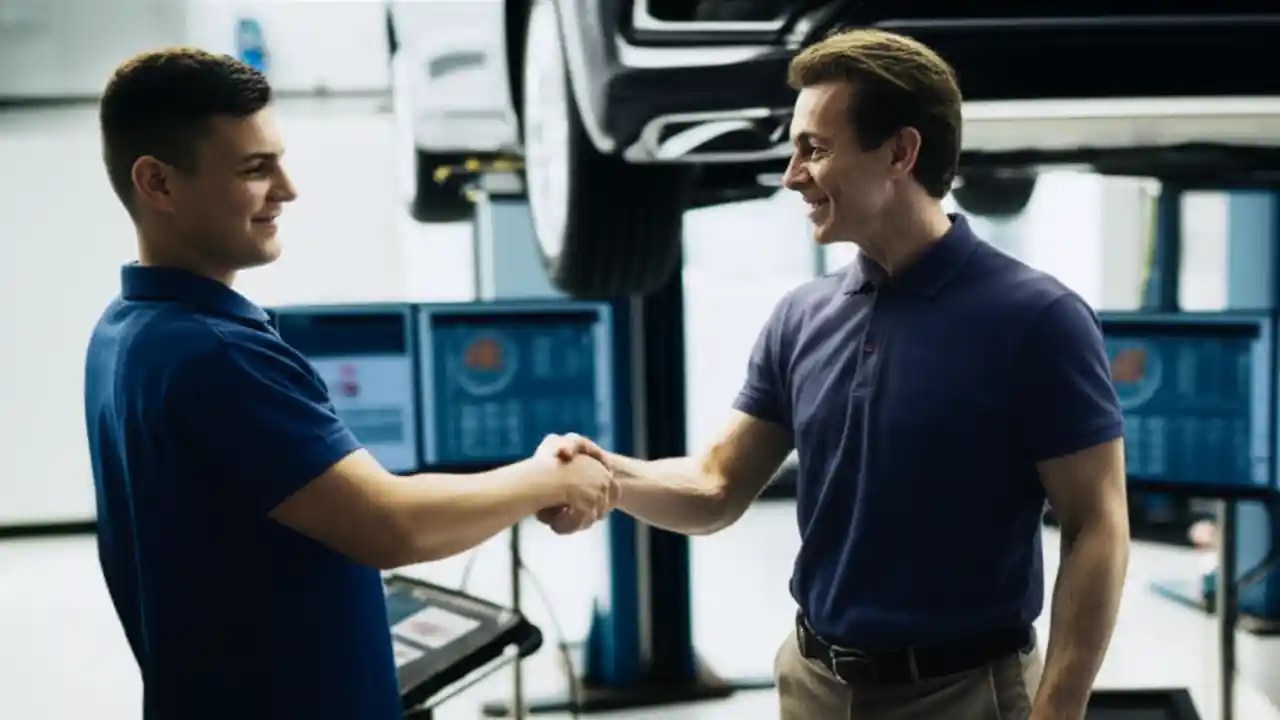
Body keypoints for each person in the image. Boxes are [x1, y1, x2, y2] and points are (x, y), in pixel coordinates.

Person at [538, 28, 1130, 720]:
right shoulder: (801, 317)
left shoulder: (1037, 319)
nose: (792, 176)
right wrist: (603, 471)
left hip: (965, 694)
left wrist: (1058, 709)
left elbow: (1097, 524)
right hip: (814, 683)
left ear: (900, 152)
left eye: (814, 149)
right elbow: (716, 487)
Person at [83, 47, 618, 720]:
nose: (287, 189)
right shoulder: (215, 353)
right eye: (254, 168)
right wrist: (551, 479)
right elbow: (391, 525)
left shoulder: (124, 331)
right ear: (158, 183)